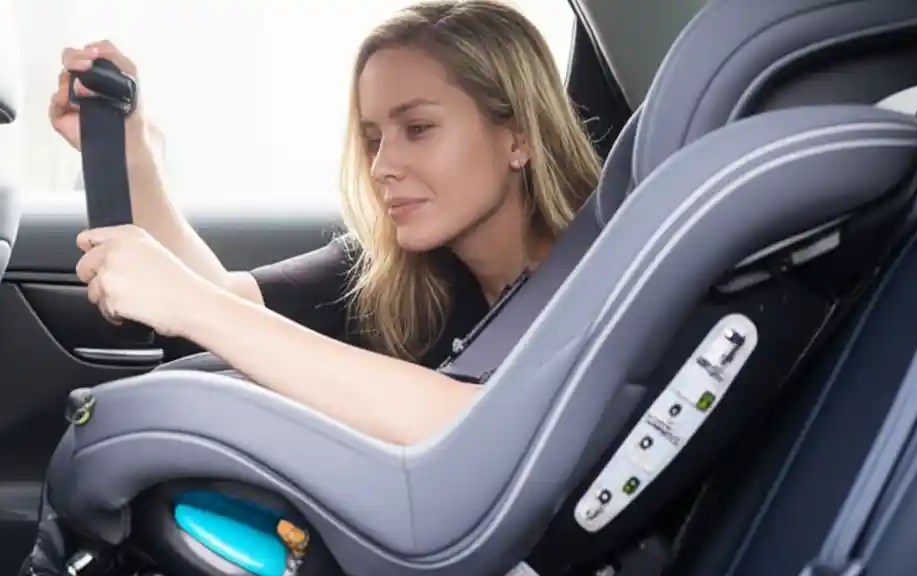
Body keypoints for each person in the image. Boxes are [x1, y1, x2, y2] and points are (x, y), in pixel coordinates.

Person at [58, 0, 600, 447]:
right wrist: (130, 151)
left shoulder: (602, 276)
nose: (383, 165)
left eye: (417, 128)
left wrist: (192, 304)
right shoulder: (393, 271)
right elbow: (227, 302)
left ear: (519, 137)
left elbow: (477, 426)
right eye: (372, 138)